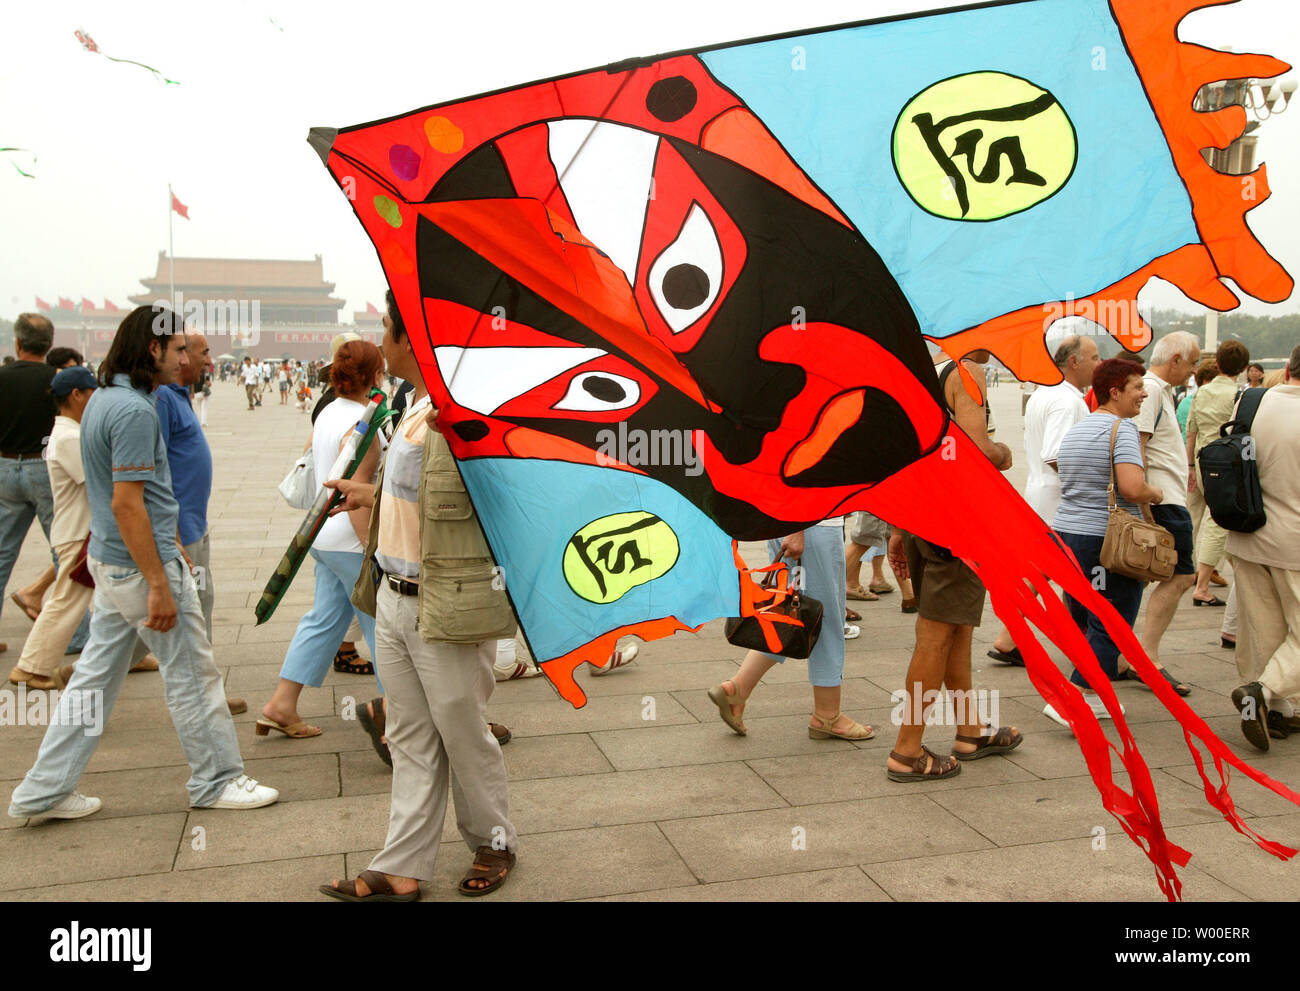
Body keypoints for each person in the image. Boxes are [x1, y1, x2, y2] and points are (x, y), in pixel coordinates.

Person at [8, 306, 278, 821]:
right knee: (193, 674)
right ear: (152, 348)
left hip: (112, 563)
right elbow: (126, 502)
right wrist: (159, 580)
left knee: (94, 679)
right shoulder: (133, 410)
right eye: (178, 349)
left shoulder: (107, 398)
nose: (183, 359)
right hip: (137, 568)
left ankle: (42, 791)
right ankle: (217, 778)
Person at [320, 291, 519, 900]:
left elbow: (503, 488)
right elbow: (415, 492)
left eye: (386, 328)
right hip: (394, 594)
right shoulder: (412, 405)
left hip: (447, 598)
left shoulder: (464, 408)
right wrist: (367, 495)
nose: (380, 339)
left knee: (461, 729)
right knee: (408, 733)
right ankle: (403, 865)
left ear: (413, 339)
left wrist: (470, 438)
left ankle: (494, 840)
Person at [883, 349, 1022, 780]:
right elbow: (977, 451)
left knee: (956, 630)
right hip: (958, 524)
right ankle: (906, 750)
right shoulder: (967, 372)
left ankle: (970, 730)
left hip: (924, 519)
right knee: (935, 636)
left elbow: (901, 455)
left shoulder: (918, 369)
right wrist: (1004, 452)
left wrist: (897, 529)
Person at [257, 341, 385, 739]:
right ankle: (398, 720)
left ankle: (281, 704)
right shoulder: (366, 424)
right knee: (383, 627)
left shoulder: (328, 411)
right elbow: (358, 490)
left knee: (325, 618)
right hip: (349, 536)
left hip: (321, 534)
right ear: (375, 375)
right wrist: (372, 552)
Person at [1042, 359, 1175, 726]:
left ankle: (1094, 696)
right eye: (1137, 387)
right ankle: (1073, 698)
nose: (1144, 393)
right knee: (1113, 621)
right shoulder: (1123, 430)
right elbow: (1132, 487)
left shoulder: (1078, 430)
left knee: (1086, 617)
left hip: (1069, 533)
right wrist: (1156, 492)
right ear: (1114, 392)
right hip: (1106, 540)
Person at [988, 333, 1098, 665]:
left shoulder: (1045, 393)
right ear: (1074, 362)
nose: (1099, 364)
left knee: (1042, 573)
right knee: (1067, 574)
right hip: (1060, 499)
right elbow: (1056, 453)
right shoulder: (1068, 401)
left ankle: (1012, 636)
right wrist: (1088, 485)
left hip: (1043, 494)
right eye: (1094, 357)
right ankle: (1084, 643)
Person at [708, 515, 866, 740]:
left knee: (791, 619)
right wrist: (798, 526)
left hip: (794, 526)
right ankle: (827, 715)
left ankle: (737, 689)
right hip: (812, 526)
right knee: (826, 621)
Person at [1228, 344, 1300, 750]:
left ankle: (1276, 710)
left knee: (1264, 632)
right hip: (1293, 542)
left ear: (1287, 367)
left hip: (1248, 532)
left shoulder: (1251, 401)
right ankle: (1264, 690)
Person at [7, 367, 97, 690]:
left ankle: (35, 668)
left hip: (76, 531)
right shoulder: (69, 437)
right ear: (77, 395)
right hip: (77, 533)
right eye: (92, 393)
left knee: (73, 601)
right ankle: (31, 668)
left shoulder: (67, 432)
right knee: (66, 602)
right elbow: (95, 479)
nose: (95, 399)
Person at [1134, 331, 1201, 682]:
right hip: (1164, 501)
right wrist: (1145, 502)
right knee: (1182, 576)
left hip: (1163, 497)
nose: (1192, 372)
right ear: (1175, 359)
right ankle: (1148, 657)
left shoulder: (1158, 390)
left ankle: (1124, 651)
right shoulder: (1152, 390)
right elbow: (1137, 447)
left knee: (1142, 577)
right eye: (1191, 363)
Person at [0, 313, 59, 656]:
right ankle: (77, 633)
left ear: (17, 343)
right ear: (48, 345)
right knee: (66, 551)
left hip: (6, 467)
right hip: (44, 467)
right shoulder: (57, 380)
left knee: (3, 552)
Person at [1187, 340, 1251, 607]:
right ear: (1245, 367)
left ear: (1219, 363)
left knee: (1193, 516)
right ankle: (1202, 585)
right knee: (1217, 523)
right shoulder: (1240, 396)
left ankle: (1185, 568)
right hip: (1224, 466)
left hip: (1200, 460)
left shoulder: (1201, 392)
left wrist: (1190, 465)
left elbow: (1192, 430)